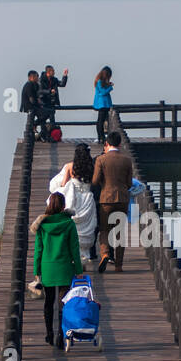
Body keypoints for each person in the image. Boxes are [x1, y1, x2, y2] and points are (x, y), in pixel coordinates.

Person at [33, 192, 82, 348]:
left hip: (47, 268)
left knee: (48, 302)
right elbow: (75, 248)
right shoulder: (69, 224)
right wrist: (79, 269)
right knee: (63, 302)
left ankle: (49, 334)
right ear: (63, 206)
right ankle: (62, 336)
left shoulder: (42, 226)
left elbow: (38, 250)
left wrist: (37, 270)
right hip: (65, 267)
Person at [91, 130, 132, 272]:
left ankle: (105, 254)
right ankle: (119, 266)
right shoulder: (126, 160)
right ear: (120, 144)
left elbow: (95, 181)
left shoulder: (101, 160)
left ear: (107, 143)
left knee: (104, 230)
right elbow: (129, 183)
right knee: (120, 231)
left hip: (106, 199)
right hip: (122, 198)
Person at [49, 144, 97, 268]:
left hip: (74, 200)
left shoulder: (70, 166)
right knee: (86, 229)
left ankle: (73, 259)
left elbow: (64, 183)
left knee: (74, 229)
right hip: (87, 199)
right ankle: (84, 260)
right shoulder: (91, 167)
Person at [93, 67, 114, 144]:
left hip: (105, 104)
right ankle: (100, 137)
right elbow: (103, 92)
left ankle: (102, 136)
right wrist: (110, 88)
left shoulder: (102, 82)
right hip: (102, 104)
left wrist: (108, 84)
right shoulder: (99, 82)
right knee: (100, 121)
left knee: (103, 121)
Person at [20, 70, 44, 136]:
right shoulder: (29, 85)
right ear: (31, 77)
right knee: (43, 115)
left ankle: (35, 126)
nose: (38, 78)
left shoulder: (35, 84)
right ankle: (33, 126)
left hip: (33, 106)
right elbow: (31, 99)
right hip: (29, 106)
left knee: (43, 115)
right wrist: (38, 105)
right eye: (36, 77)